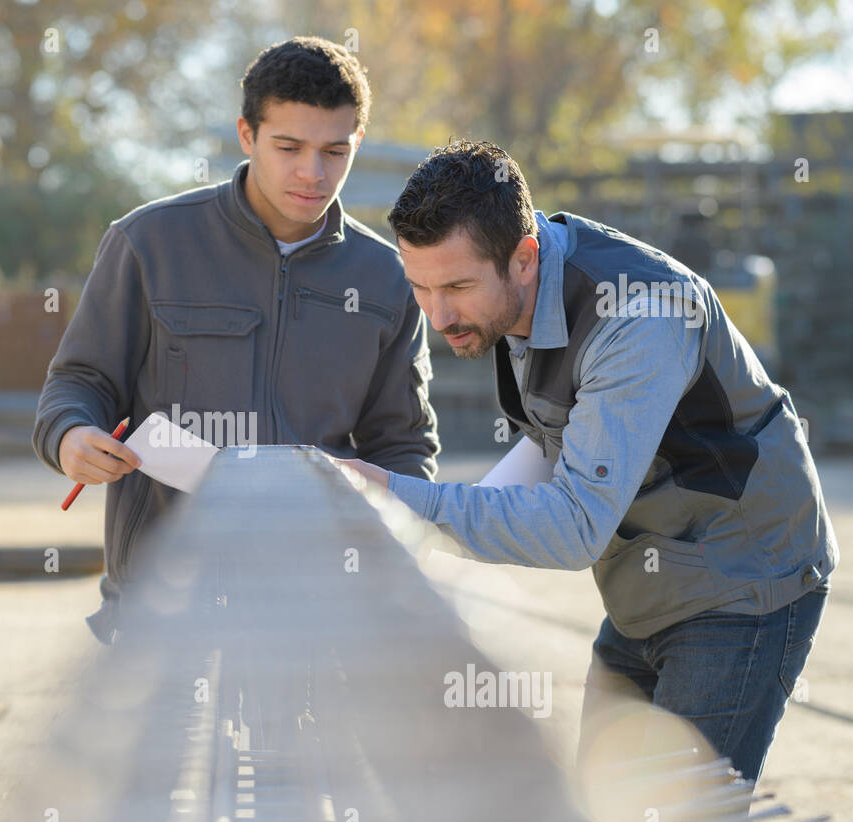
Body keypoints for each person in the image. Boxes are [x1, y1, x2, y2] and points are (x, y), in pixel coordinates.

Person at [341, 140, 837, 786]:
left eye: (458, 286)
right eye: (420, 287)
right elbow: (552, 445)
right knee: (603, 816)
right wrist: (417, 544)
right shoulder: (507, 301)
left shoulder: (640, 316)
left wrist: (401, 500)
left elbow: (575, 525)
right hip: (645, 580)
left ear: (524, 258)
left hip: (743, 579)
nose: (438, 315)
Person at [34, 37, 441, 644]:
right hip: (162, 604)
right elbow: (79, 383)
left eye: (335, 150)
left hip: (317, 611)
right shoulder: (149, 243)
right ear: (246, 135)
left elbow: (403, 445)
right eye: (289, 147)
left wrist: (394, 547)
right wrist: (70, 437)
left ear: (356, 143)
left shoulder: (387, 280)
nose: (313, 172)